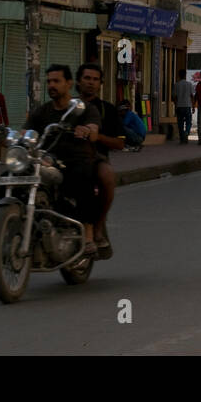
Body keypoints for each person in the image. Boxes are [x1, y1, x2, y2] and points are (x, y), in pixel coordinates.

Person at [22, 65, 104, 257]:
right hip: (47, 159)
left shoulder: (83, 109)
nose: (51, 85)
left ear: (68, 84)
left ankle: (88, 236)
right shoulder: (42, 111)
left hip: (75, 159)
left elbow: (93, 131)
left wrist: (86, 130)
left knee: (83, 176)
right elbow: (27, 130)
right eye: (49, 81)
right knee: (13, 172)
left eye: (56, 81)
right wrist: (14, 136)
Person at [75, 64, 125, 259]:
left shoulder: (107, 110)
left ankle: (97, 227)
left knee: (106, 175)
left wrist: (97, 137)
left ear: (101, 84)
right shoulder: (66, 106)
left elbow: (120, 143)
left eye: (95, 79)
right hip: (64, 158)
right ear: (78, 81)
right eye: (87, 78)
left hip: (95, 159)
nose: (91, 82)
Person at [173, 70, 194, 145]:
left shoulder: (176, 85)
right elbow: (192, 96)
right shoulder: (189, 84)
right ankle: (187, 132)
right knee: (188, 121)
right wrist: (193, 106)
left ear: (179, 75)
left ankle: (182, 138)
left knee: (180, 123)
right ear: (185, 75)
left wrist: (176, 106)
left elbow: (175, 97)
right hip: (188, 106)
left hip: (179, 106)